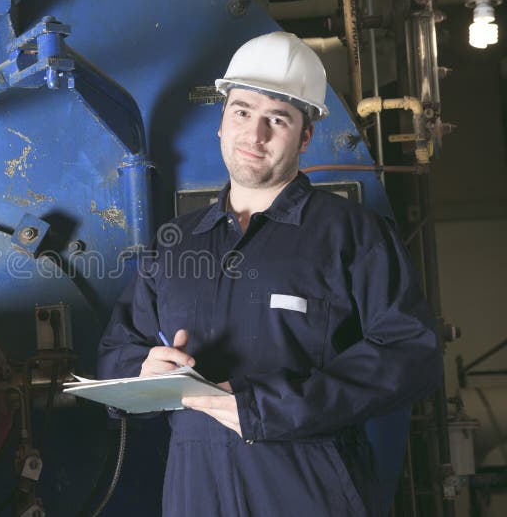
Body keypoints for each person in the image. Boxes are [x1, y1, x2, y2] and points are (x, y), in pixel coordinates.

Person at [97, 31, 442, 516]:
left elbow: (412, 355)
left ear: (305, 136)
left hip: (306, 482)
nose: (254, 134)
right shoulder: (176, 242)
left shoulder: (351, 234)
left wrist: (275, 406)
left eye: (276, 120)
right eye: (241, 112)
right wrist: (142, 371)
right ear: (221, 122)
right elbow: (116, 353)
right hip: (195, 489)